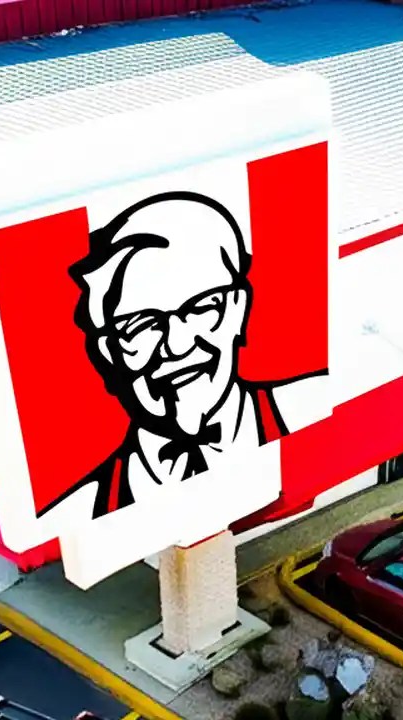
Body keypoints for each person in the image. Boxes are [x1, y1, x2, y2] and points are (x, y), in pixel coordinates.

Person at [38, 191, 324, 521]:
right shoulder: (77, 512)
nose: (177, 345)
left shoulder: (309, 405)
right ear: (108, 353)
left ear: (239, 311)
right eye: (141, 324)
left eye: (202, 307)